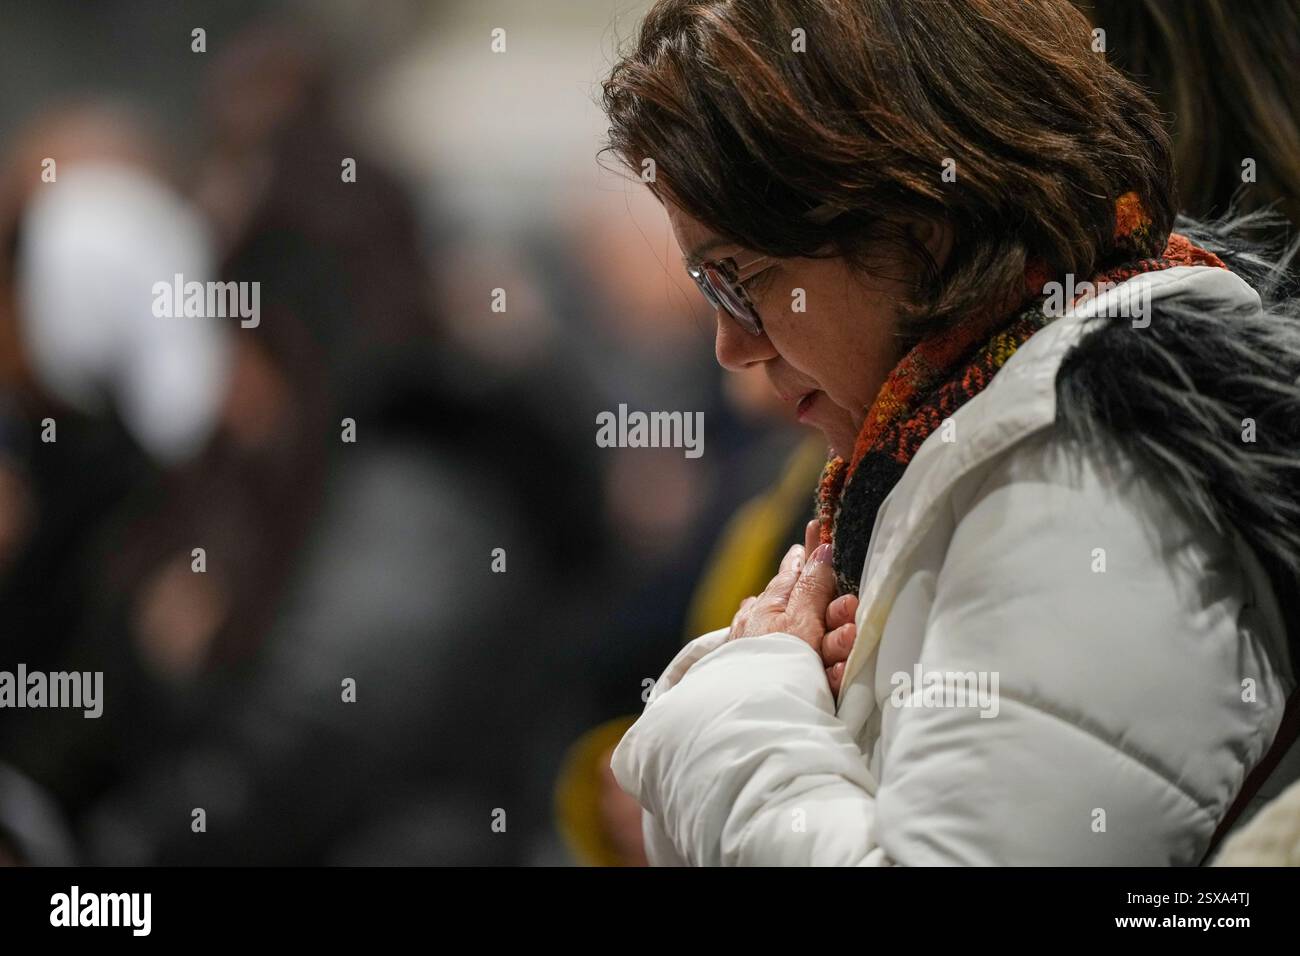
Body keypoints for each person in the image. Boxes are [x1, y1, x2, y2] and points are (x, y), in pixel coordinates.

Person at [599, 0, 1300, 865]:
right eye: (712, 290)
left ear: (915, 221)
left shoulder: (1076, 482)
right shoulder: (998, 433)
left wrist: (736, 713)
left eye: (741, 277)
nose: (732, 345)